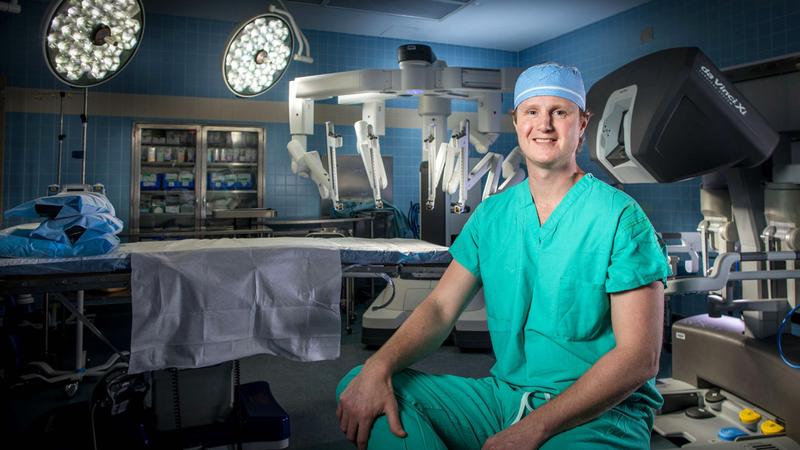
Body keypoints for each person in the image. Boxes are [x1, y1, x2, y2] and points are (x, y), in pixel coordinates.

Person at [336, 62, 670, 450]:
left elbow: (639, 358)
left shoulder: (619, 218)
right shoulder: (492, 215)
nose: (544, 125)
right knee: (362, 383)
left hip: (599, 414)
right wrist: (379, 365)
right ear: (516, 121)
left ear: (582, 124)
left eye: (559, 112)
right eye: (532, 112)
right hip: (505, 398)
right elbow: (441, 310)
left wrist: (535, 428)